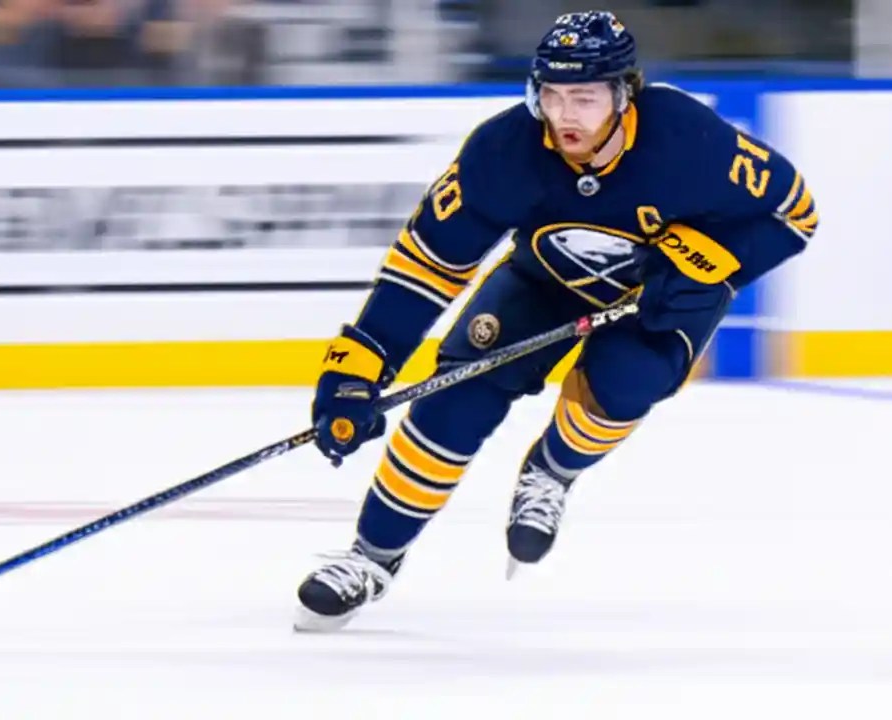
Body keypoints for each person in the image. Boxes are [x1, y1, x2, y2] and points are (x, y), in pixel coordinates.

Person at [293, 10, 819, 632]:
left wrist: (699, 265)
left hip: (658, 296)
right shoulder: (502, 151)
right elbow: (423, 270)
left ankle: (551, 471)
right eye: (552, 95)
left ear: (625, 95)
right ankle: (371, 557)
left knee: (625, 383)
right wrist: (357, 371)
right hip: (543, 282)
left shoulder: (687, 140)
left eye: (586, 97)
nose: (565, 115)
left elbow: (793, 214)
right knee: (455, 399)